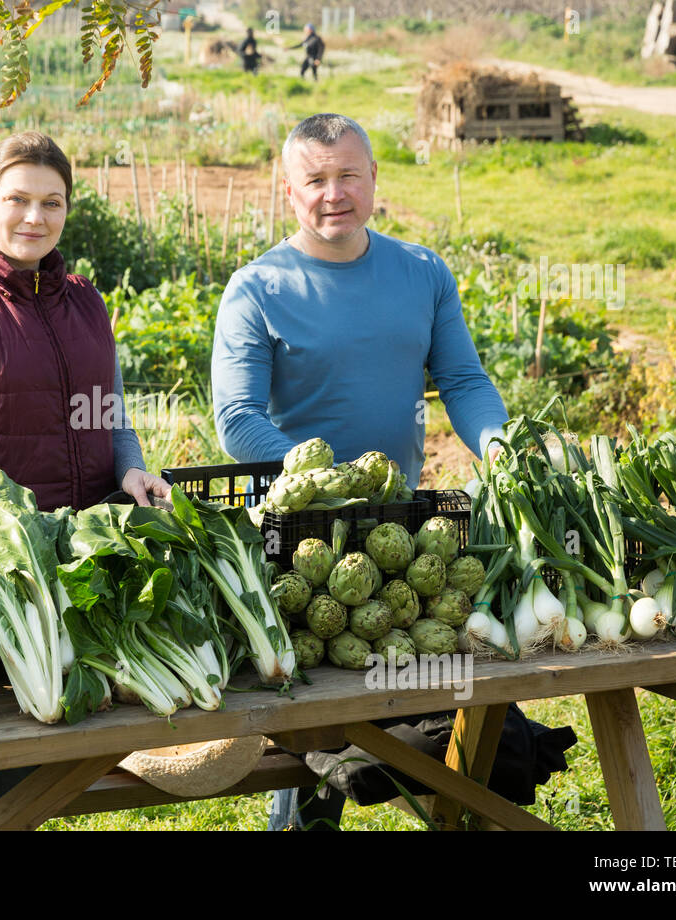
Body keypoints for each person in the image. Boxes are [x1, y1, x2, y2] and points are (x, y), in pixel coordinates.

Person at [210, 113, 511, 830]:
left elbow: (463, 380)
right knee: (318, 724)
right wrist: (331, 482)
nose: (333, 193)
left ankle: (455, 804)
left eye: (348, 174)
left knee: (440, 691)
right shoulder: (256, 288)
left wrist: (497, 444)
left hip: (407, 532)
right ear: (290, 192)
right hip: (304, 538)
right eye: (315, 179)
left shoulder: (423, 272)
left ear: (374, 178)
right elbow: (238, 418)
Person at [0, 131, 172, 804]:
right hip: (7, 588)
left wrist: (132, 469)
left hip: (88, 570)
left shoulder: (87, 303)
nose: (34, 217)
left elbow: (106, 416)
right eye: (17, 198)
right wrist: (22, 538)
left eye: (52, 202)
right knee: (15, 778)